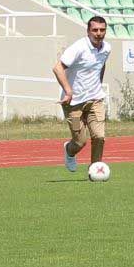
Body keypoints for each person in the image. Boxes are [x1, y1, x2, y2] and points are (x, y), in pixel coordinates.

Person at [54, 15, 110, 172]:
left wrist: (97, 84)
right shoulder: (78, 48)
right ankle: (69, 151)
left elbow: (101, 65)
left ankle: (95, 170)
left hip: (95, 99)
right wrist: (68, 91)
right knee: (80, 141)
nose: (99, 33)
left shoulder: (106, 48)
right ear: (88, 31)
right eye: (95, 30)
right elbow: (57, 68)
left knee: (99, 137)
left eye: (102, 30)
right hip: (74, 102)